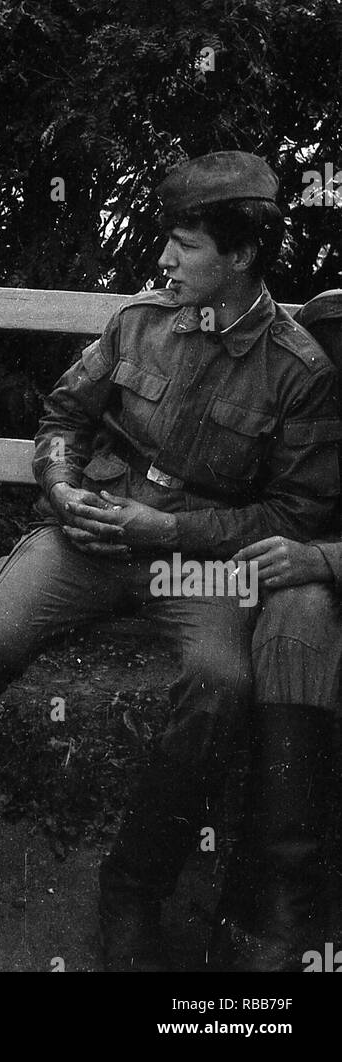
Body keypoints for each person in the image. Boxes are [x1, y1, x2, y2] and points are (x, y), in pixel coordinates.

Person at [0, 150, 342, 972]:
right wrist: (64, 489)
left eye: (186, 245)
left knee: (220, 686)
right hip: (94, 531)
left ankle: (133, 888)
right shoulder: (140, 321)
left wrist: (168, 532)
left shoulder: (299, 374)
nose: (165, 260)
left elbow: (295, 514)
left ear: (242, 254)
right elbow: (62, 419)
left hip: (196, 563)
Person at [210, 288, 342, 971]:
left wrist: (322, 556)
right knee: (295, 617)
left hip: (325, 559)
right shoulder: (325, 331)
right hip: (310, 580)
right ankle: (279, 893)